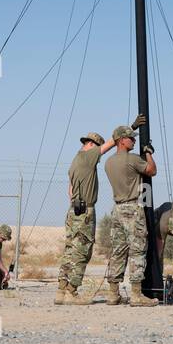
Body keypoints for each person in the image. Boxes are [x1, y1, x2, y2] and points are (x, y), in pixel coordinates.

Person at [102, 114, 158, 306]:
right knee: (137, 250)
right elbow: (152, 170)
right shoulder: (132, 159)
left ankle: (112, 294)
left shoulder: (108, 163)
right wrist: (149, 152)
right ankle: (136, 295)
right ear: (121, 141)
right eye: (130, 138)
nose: (133, 140)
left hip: (116, 209)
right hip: (133, 208)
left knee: (117, 251)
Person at [56, 131, 115, 305]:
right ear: (91, 145)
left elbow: (70, 190)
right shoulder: (89, 156)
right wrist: (127, 129)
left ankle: (61, 290)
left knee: (69, 250)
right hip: (85, 211)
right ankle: (72, 292)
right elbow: (109, 145)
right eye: (96, 147)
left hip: (73, 210)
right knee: (82, 251)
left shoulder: (75, 161)